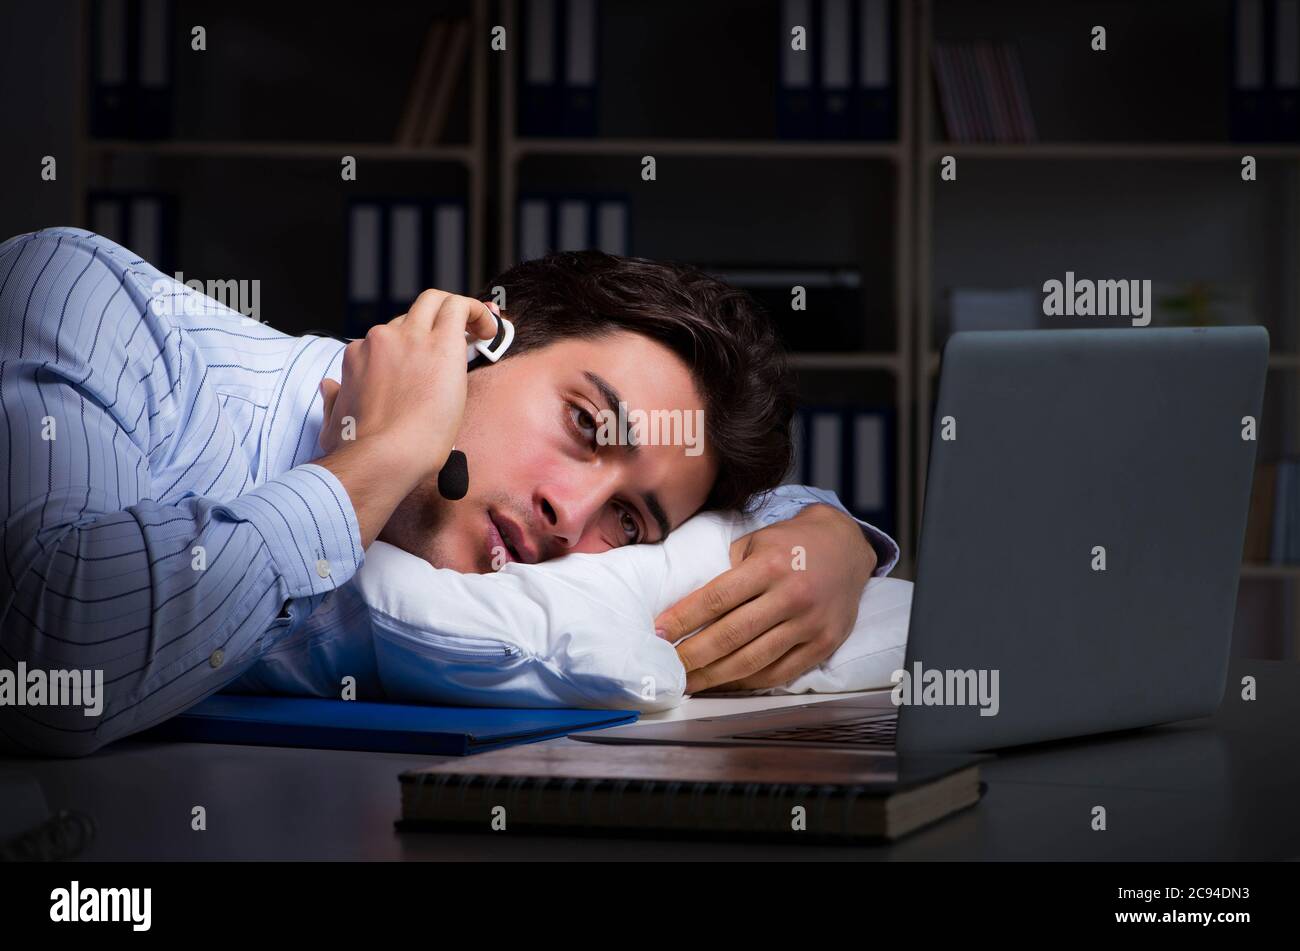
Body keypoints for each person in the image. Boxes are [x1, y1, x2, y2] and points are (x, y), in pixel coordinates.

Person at [0, 226, 897, 756]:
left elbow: (734, 528)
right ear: (478, 337)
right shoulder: (82, 296)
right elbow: (46, 660)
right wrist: (371, 466)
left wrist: (833, 537)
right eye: (587, 425)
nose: (571, 516)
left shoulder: (531, 563)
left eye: (627, 519)